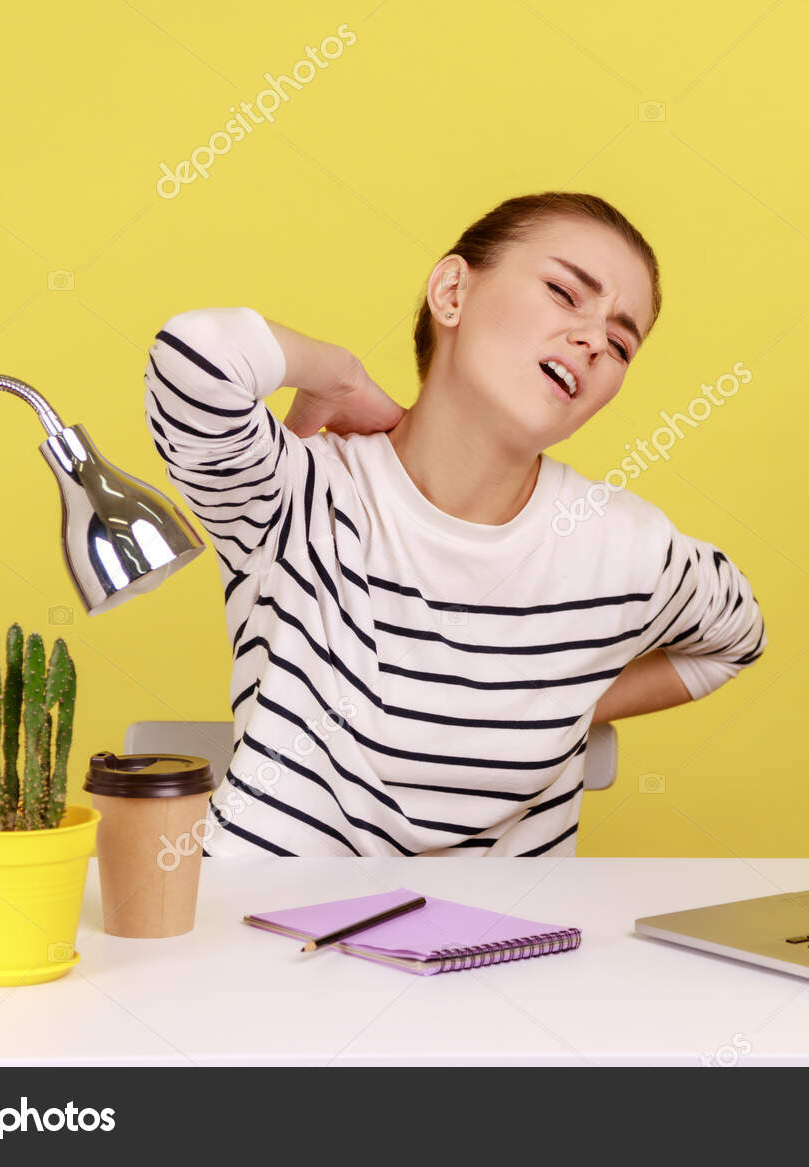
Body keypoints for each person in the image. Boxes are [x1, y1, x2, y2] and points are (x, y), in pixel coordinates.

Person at [142, 191, 766, 857]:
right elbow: (198, 353)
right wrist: (340, 375)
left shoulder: (622, 546)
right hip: (254, 939)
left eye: (618, 342)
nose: (591, 340)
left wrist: (565, 700)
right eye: (562, 291)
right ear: (451, 292)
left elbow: (736, 636)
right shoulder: (298, 493)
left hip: (496, 951)